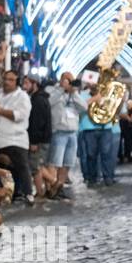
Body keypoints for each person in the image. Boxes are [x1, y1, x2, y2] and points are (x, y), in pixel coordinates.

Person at [0, 70, 34, 206]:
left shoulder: (22, 97)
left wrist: (1, 111)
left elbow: (20, 115)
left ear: (17, 82)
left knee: (22, 166)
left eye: (11, 80)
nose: (7, 82)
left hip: (14, 139)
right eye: (5, 79)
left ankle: (28, 193)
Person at [46, 73, 83, 201]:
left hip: (72, 132)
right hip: (58, 131)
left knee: (67, 162)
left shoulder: (73, 94)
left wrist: (74, 93)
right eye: (67, 79)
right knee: (55, 161)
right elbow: (49, 102)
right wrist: (62, 89)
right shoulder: (52, 90)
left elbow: (84, 107)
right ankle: (51, 186)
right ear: (61, 80)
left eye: (70, 80)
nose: (69, 82)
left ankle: (59, 186)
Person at [23, 76, 52, 200]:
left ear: (34, 84)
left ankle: (42, 191)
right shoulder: (40, 98)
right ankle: (48, 188)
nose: (24, 86)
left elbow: (37, 123)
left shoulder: (37, 100)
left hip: (38, 140)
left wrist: (34, 141)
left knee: (35, 167)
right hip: (42, 139)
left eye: (26, 83)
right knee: (38, 165)